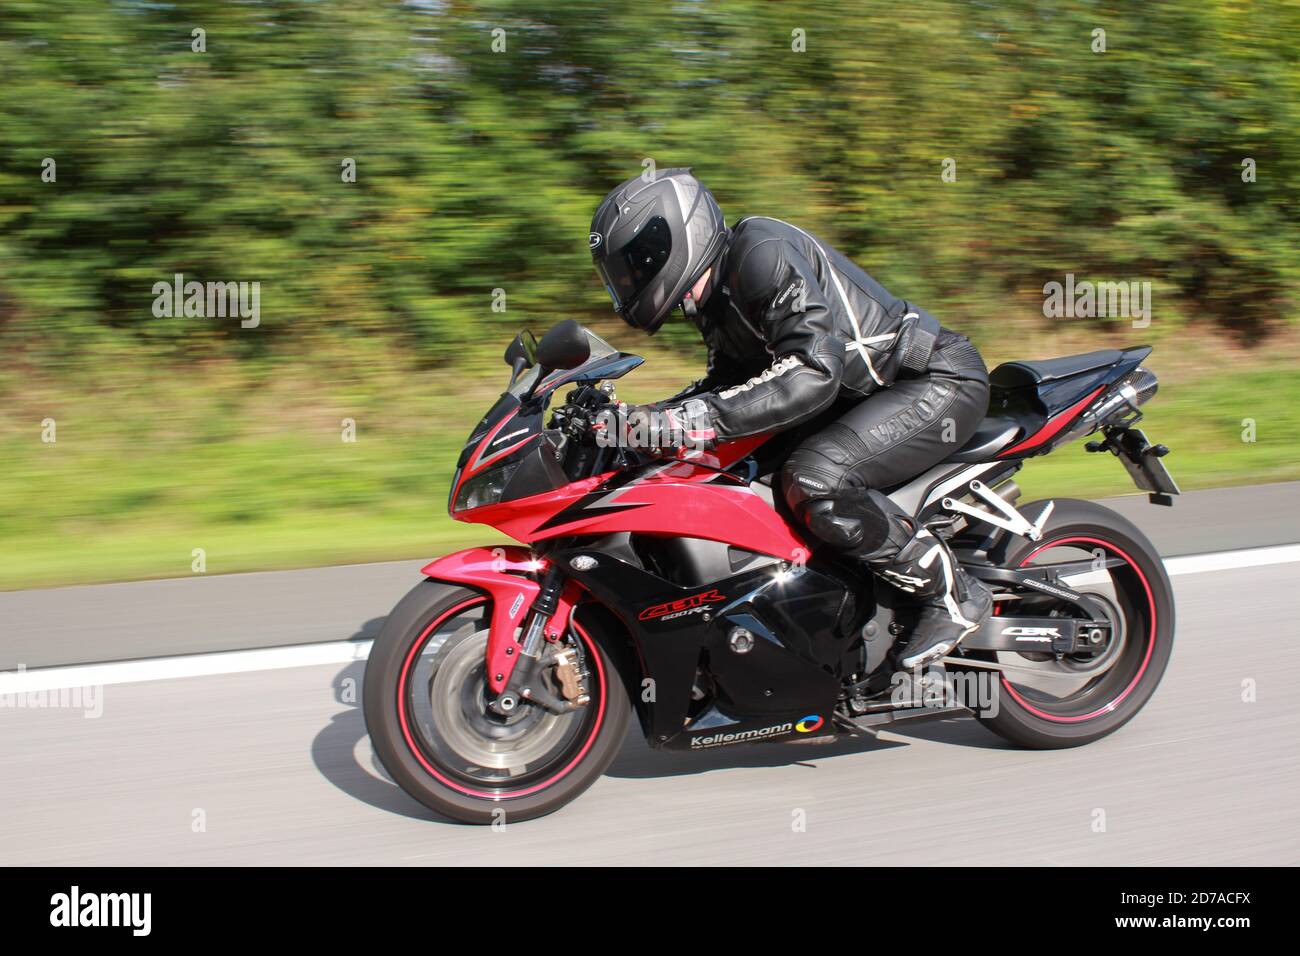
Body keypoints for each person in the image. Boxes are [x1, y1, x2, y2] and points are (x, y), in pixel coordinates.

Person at [588, 167, 993, 669]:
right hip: (856, 400)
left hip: (929, 381)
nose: (628, 281)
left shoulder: (760, 255)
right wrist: (644, 421)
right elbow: (734, 386)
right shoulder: (713, 297)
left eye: (633, 266)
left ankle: (954, 595)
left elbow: (811, 372)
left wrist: (689, 420)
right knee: (732, 478)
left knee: (816, 478)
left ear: (670, 234)